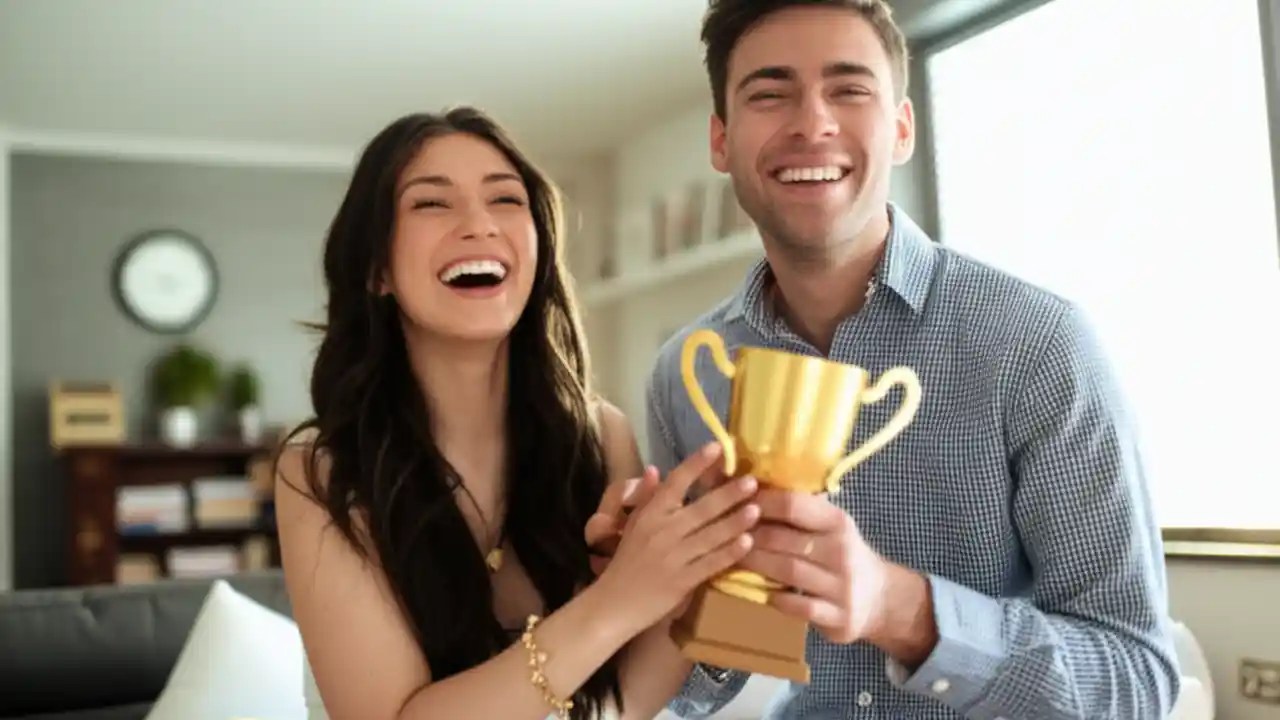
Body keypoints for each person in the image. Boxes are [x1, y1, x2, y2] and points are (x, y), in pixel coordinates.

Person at [617, 1, 1182, 717]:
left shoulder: (1038, 344)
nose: (812, 122)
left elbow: (1136, 683)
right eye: (770, 94)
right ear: (721, 141)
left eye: (849, 89)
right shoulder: (686, 374)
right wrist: (646, 592)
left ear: (902, 129)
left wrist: (900, 608)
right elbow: (700, 682)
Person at [273, 107, 763, 720]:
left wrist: (704, 557)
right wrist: (616, 599)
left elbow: (620, 707)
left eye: (506, 199)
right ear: (376, 268)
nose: (479, 225)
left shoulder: (599, 434)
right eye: (432, 203)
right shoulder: (319, 473)